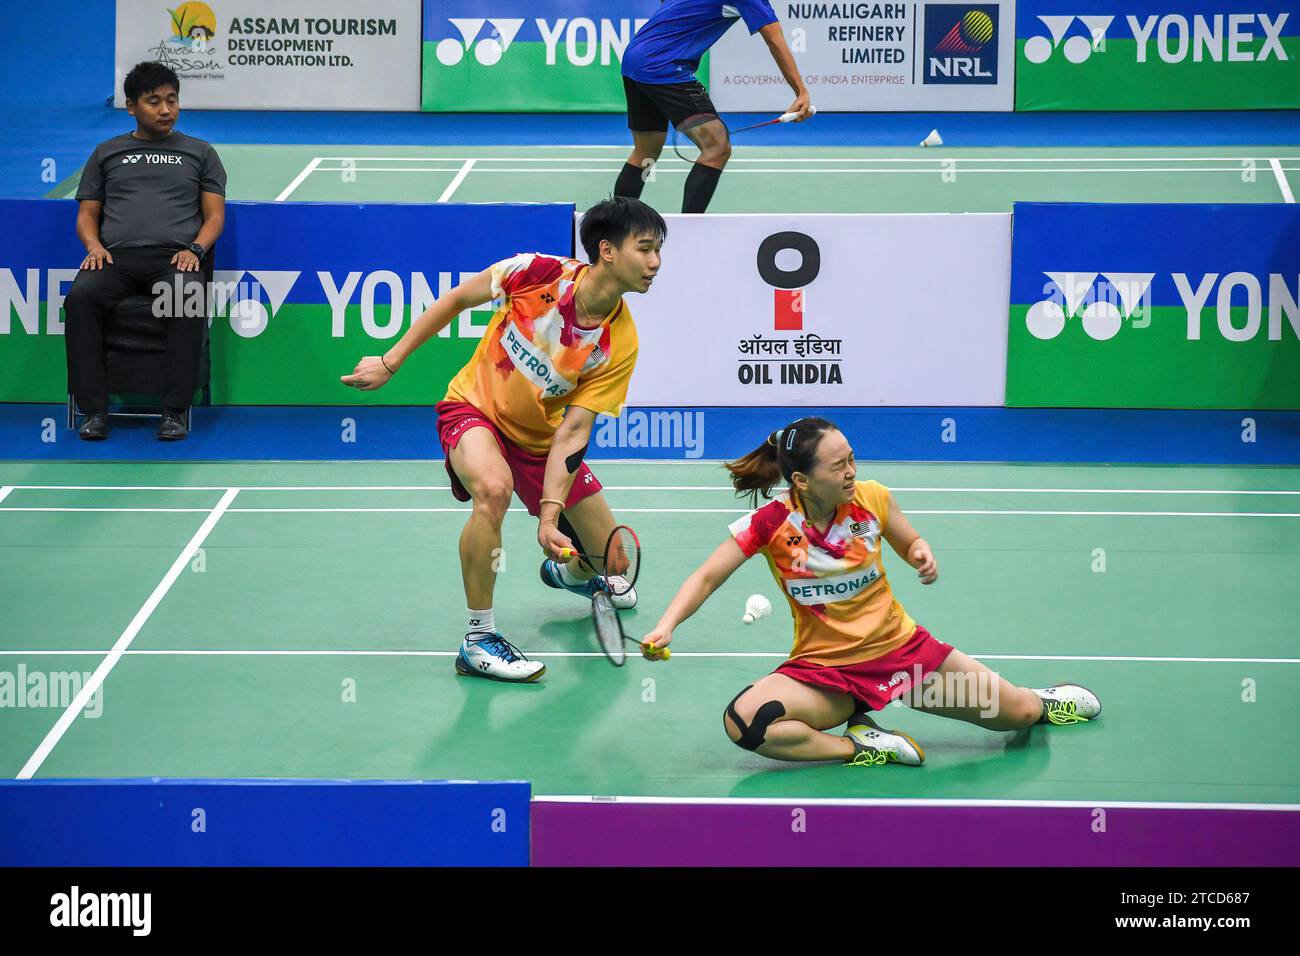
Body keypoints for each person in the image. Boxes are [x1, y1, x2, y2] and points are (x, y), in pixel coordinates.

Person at [641, 416, 1102, 766]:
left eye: (852, 460)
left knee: (1018, 715)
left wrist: (921, 552)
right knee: (747, 724)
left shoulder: (873, 498)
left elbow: (907, 539)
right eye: (838, 465)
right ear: (801, 480)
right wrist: (666, 626)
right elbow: (706, 576)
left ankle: (1043, 699)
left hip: (904, 662)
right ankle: (860, 745)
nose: (850, 471)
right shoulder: (771, 524)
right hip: (825, 674)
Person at [341, 198, 667, 683]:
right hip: (476, 409)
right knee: (492, 491)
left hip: (542, 439)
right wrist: (392, 361)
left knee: (615, 568)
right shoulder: (536, 272)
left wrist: (550, 518)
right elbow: (455, 300)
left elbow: (575, 431)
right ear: (607, 251)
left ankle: (569, 572)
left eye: (659, 250)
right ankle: (478, 638)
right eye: (645, 249)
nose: (655, 263)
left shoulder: (619, 342)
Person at [65, 61, 226, 441]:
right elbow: (86, 216)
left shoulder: (200, 152)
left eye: (172, 100)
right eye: (154, 101)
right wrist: (94, 246)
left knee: (186, 296)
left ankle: (173, 411)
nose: (166, 109)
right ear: (131, 106)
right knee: (80, 299)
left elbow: (215, 217)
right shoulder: (107, 153)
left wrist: (195, 250)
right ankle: (94, 411)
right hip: (115, 259)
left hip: (175, 258)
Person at [614, 0, 813, 213]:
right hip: (664, 66)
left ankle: (615, 226)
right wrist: (801, 91)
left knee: (646, 151)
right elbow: (774, 39)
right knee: (717, 147)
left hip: (634, 59)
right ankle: (692, 229)